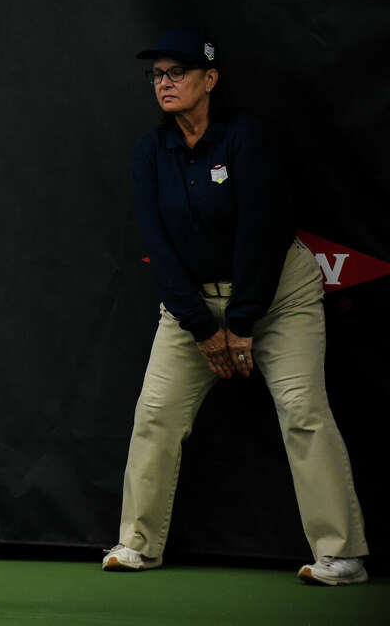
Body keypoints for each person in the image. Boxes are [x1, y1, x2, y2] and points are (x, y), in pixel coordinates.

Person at [102, 28, 369, 585]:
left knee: (302, 410)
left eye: (177, 73)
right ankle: (137, 545)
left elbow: (262, 235)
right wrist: (204, 328)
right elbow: (161, 249)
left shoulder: (245, 139)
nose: (165, 83)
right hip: (194, 305)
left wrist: (242, 322)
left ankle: (341, 555)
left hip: (278, 297)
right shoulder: (150, 154)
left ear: (210, 80)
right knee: (155, 414)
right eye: (157, 76)